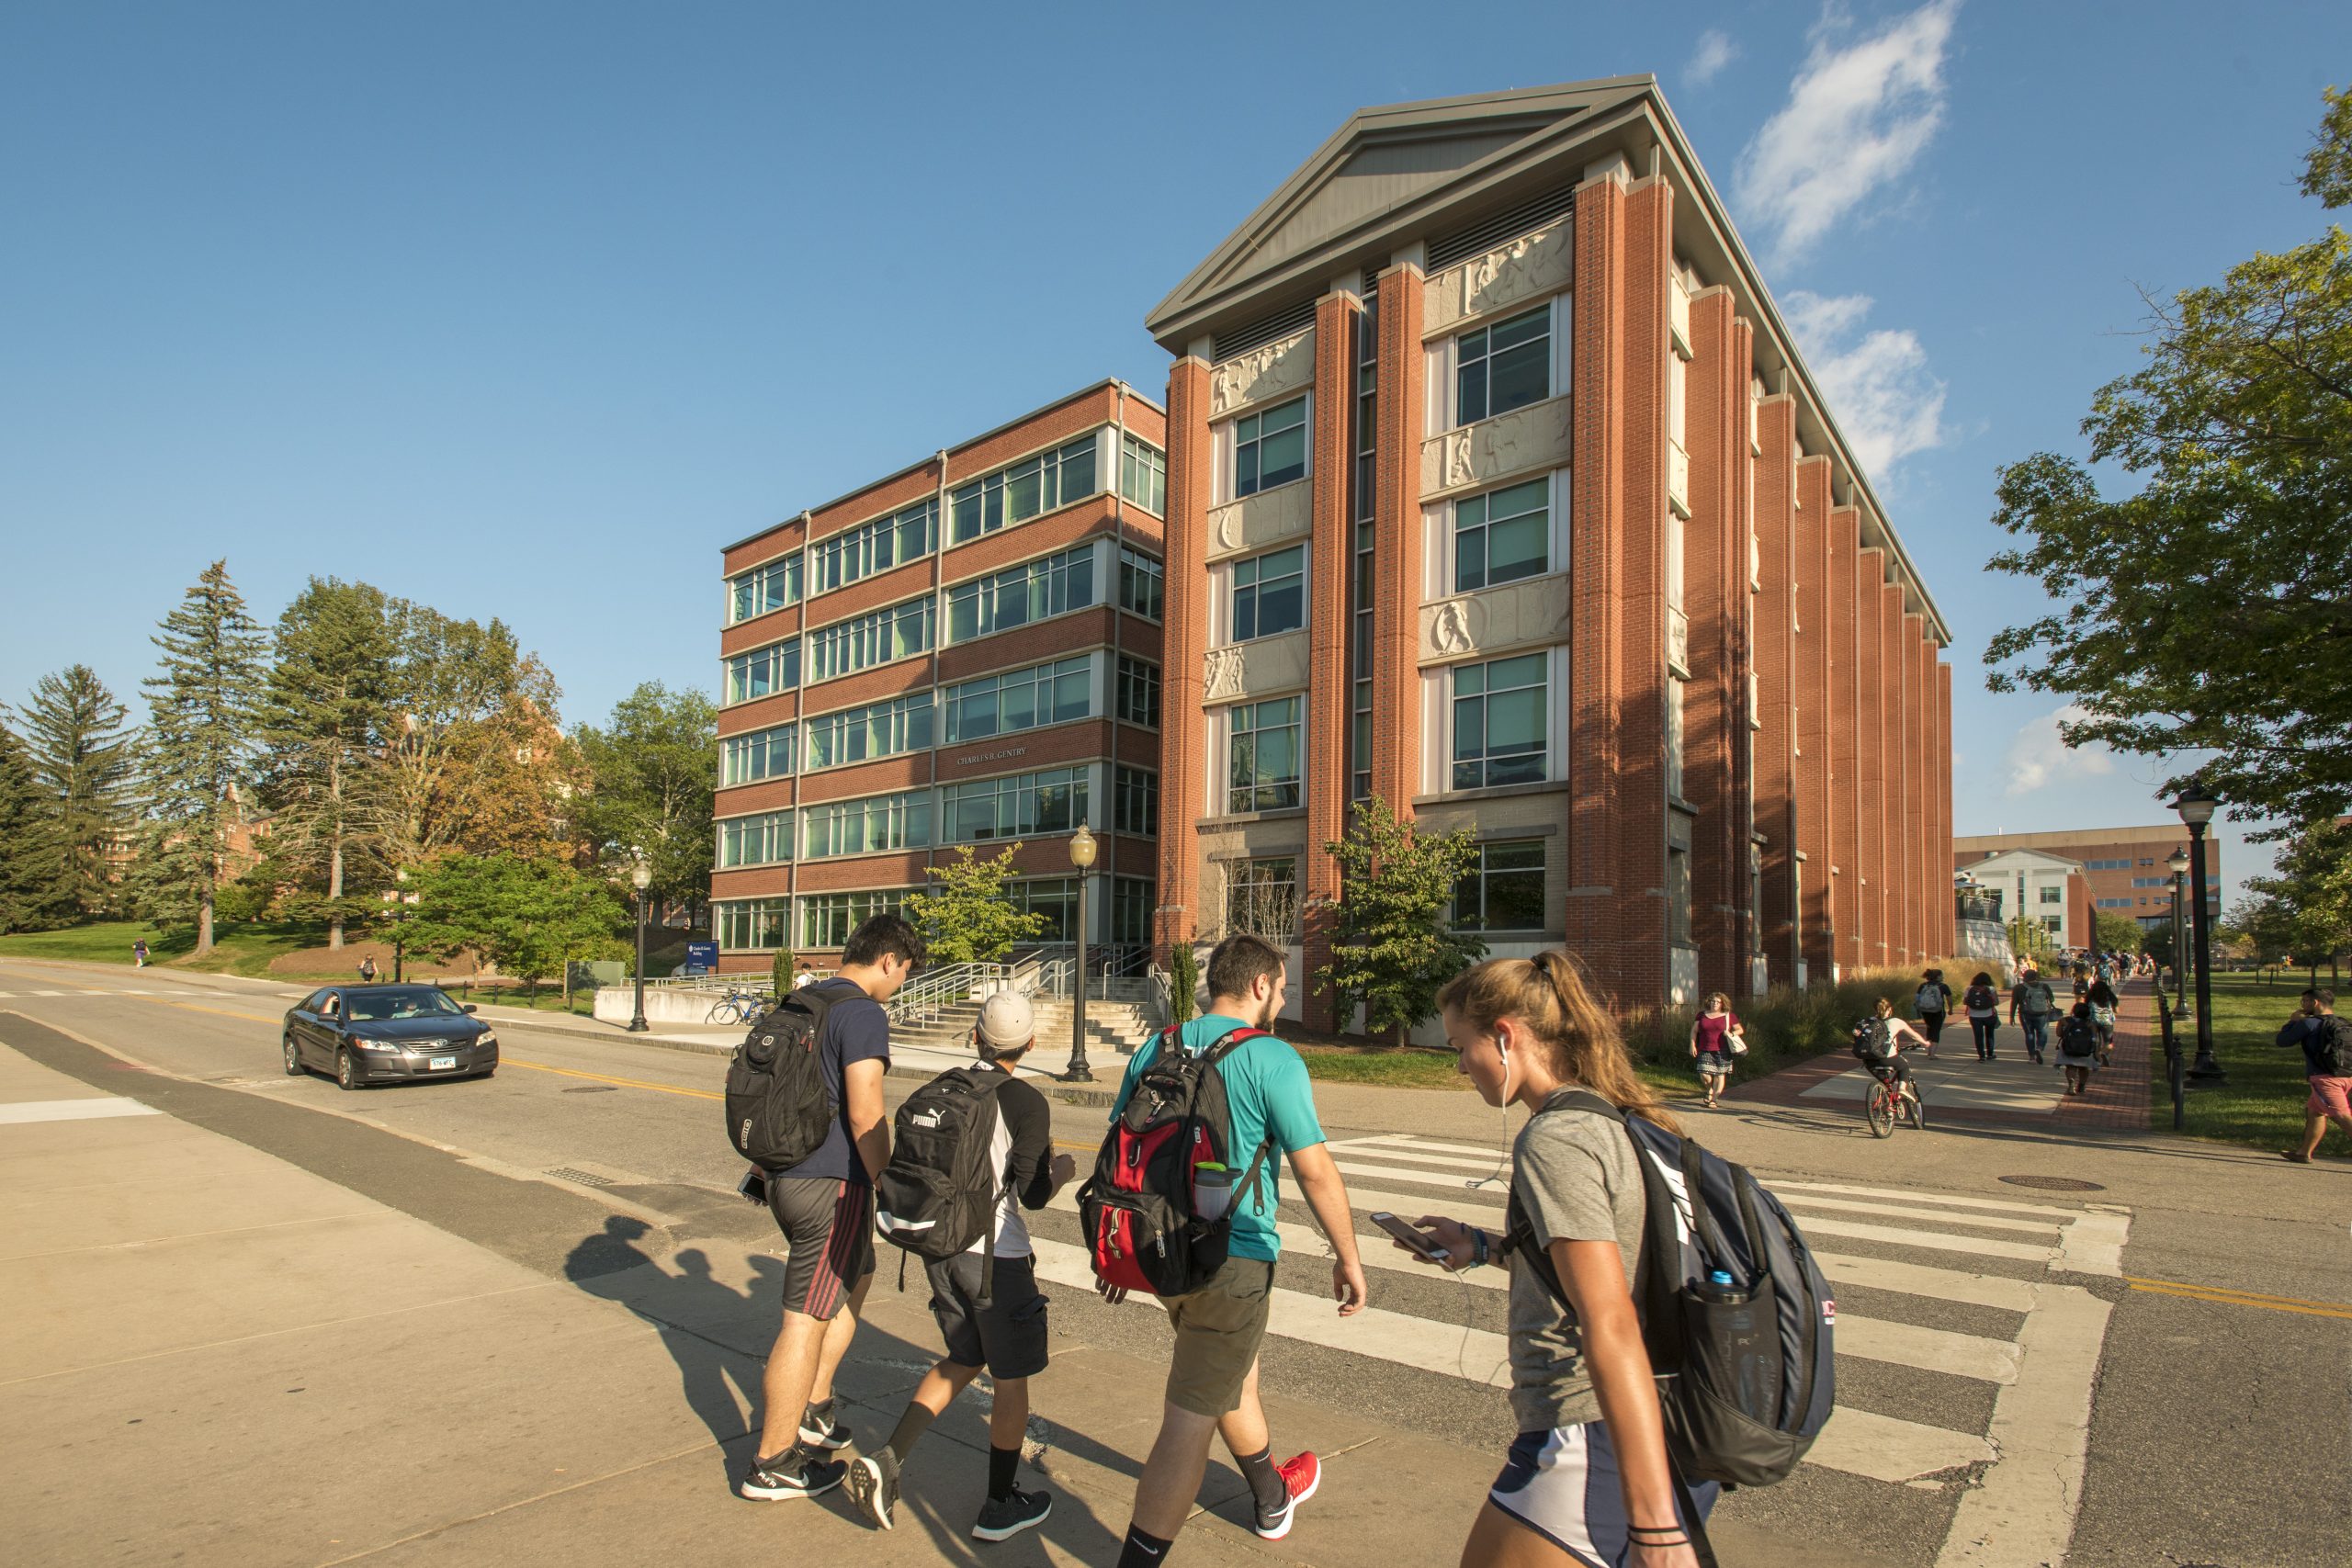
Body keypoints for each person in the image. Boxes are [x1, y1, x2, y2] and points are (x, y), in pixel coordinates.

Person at [1396, 953, 1711, 1568]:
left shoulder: (1555, 1140)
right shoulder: (1607, 1116)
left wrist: (1654, 1524)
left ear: (1507, 1036)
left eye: (1463, 1045)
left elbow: (1609, 1317)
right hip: (1633, 1426)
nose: (1459, 1064)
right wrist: (1486, 1246)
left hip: (1588, 1431)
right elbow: (1614, 1261)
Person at [1103, 934, 1368, 1566]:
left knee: (1230, 1379)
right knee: (1188, 1418)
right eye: (1281, 985)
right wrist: (1349, 1257)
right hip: (1232, 1256)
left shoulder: (1157, 1045)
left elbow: (1121, 1151)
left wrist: (1118, 1252)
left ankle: (1272, 1494)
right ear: (1258, 986)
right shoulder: (1272, 1057)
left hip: (1161, 1249)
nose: (1284, 995)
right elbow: (1316, 1171)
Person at [846, 991, 1073, 1540]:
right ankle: (1000, 1503)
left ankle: (889, 1458)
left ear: (975, 1035)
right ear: (1030, 1044)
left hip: (940, 1246)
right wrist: (1062, 1169)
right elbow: (1035, 1193)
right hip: (996, 1258)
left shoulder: (943, 1085)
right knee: (1012, 1380)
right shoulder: (1025, 1101)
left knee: (964, 1356)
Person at [738, 914, 925, 1503]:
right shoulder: (863, 1013)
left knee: (858, 1273)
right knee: (805, 1317)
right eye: (904, 974)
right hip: (832, 1186)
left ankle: (815, 1403)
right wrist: (887, 1181)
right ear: (890, 960)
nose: (898, 985)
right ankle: (773, 1463)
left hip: (781, 1175)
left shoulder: (800, 1000)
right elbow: (867, 1112)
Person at [2279, 989, 2352, 1165]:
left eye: (2304, 1001)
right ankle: (2304, 1153)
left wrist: (2292, 1021)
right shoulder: (2343, 1023)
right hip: (2346, 1075)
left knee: (2340, 1115)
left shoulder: (2309, 1024)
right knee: (2315, 1111)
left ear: (2315, 1003)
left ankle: (2304, 1153)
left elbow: (2283, 1041)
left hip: (2324, 1079)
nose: (2302, 1005)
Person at [1860, 996, 1930, 1109]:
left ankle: (1886, 1100)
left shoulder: (1868, 1022)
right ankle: (1902, 1089)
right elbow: (1914, 1035)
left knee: (1885, 1082)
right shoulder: (1896, 1021)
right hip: (1886, 1057)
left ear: (1875, 1009)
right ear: (1890, 1009)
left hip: (1868, 1059)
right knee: (1903, 1066)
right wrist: (1925, 1043)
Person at [1687, 993, 1741, 1109]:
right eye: (1712, 1001)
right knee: (1703, 1073)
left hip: (1722, 1049)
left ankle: (1715, 1099)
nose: (1715, 1003)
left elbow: (1740, 1030)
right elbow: (1694, 1031)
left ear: (1722, 1004)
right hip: (1704, 1048)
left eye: (1717, 1002)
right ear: (1709, 1002)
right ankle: (1709, 1089)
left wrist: (1731, 1033)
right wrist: (1692, 1044)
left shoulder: (1728, 1016)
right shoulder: (1701, 1015)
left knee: (1719, 1074)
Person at [2010, 965, 2057, 1065]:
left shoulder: (2018, 987)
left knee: (2029, 1034)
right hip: (2042, 1014)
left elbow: (2014, 1002)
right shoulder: (2044, 986)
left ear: (2024, 977)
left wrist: (2011, 1016)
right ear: (2035, 976)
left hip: (2025, 1014)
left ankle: (2032, 1056)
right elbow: (2052, 999)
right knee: (2042, 1032)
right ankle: (2039, 1048)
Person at [2055, 1001, 2099, 1096]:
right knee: (2083, 1068)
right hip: (2085, 1049)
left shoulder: (2064, 1020)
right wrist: (2096, 1052)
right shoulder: (2090, 1023)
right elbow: (2094, 1038)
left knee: (2071, 1066)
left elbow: (2059, 1034)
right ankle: (2082, 1086)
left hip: (2069, 1048)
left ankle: (2071, 1084)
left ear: (2074, 1011)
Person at [1962, 972, 2001, 1060]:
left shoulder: (1969, 988)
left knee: (1978, 1036)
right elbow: (1996, 1002)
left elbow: (1965, 1002)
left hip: (1974, 1016)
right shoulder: (1991, 989)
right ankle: (1990, 1054)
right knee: (1990, 1035)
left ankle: (1981, 1056)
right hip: (1989, 1015)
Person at [1912, 970, 1953, 1055]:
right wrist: (1950, 1009)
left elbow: (1917, 998)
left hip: (1925, 1011)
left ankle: (1929, 1051)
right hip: (1938, 1011)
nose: (1943, 977)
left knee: (1929, 1029)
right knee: (1936, 1030)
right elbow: (1949, 999)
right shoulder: (1943, 986)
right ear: (1937, 977)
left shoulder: (1923, 985)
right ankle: (1932, 1054)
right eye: (1942, 976)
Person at [2085, 973, 2120, 1067]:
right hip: (2107, 1021)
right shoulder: (2110, 997)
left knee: (2095, 1041)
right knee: (2108, 1042)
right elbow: (2117, 1010)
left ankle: (2097, 1060)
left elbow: (2086, 1009)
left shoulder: (2089, 997)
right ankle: (2104, 1053)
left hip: (2093, 1021)